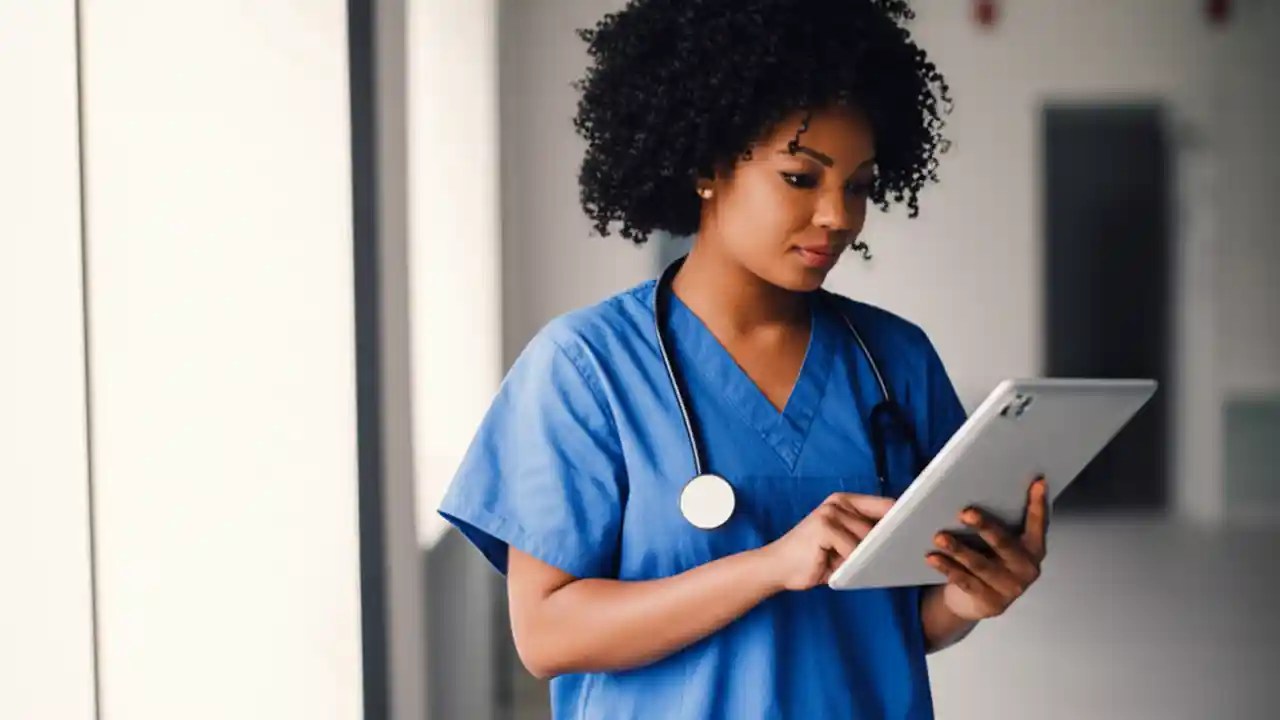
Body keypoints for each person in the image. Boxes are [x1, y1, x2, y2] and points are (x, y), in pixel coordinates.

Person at [438, 0, 1048, 717]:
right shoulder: (586, 368)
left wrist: (970, 597)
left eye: (858, 185)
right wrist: (766, 568)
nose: (839, 216)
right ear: (707, 166)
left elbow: (900, 624)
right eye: (801, 177)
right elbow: (546, 634)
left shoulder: (896, 360)